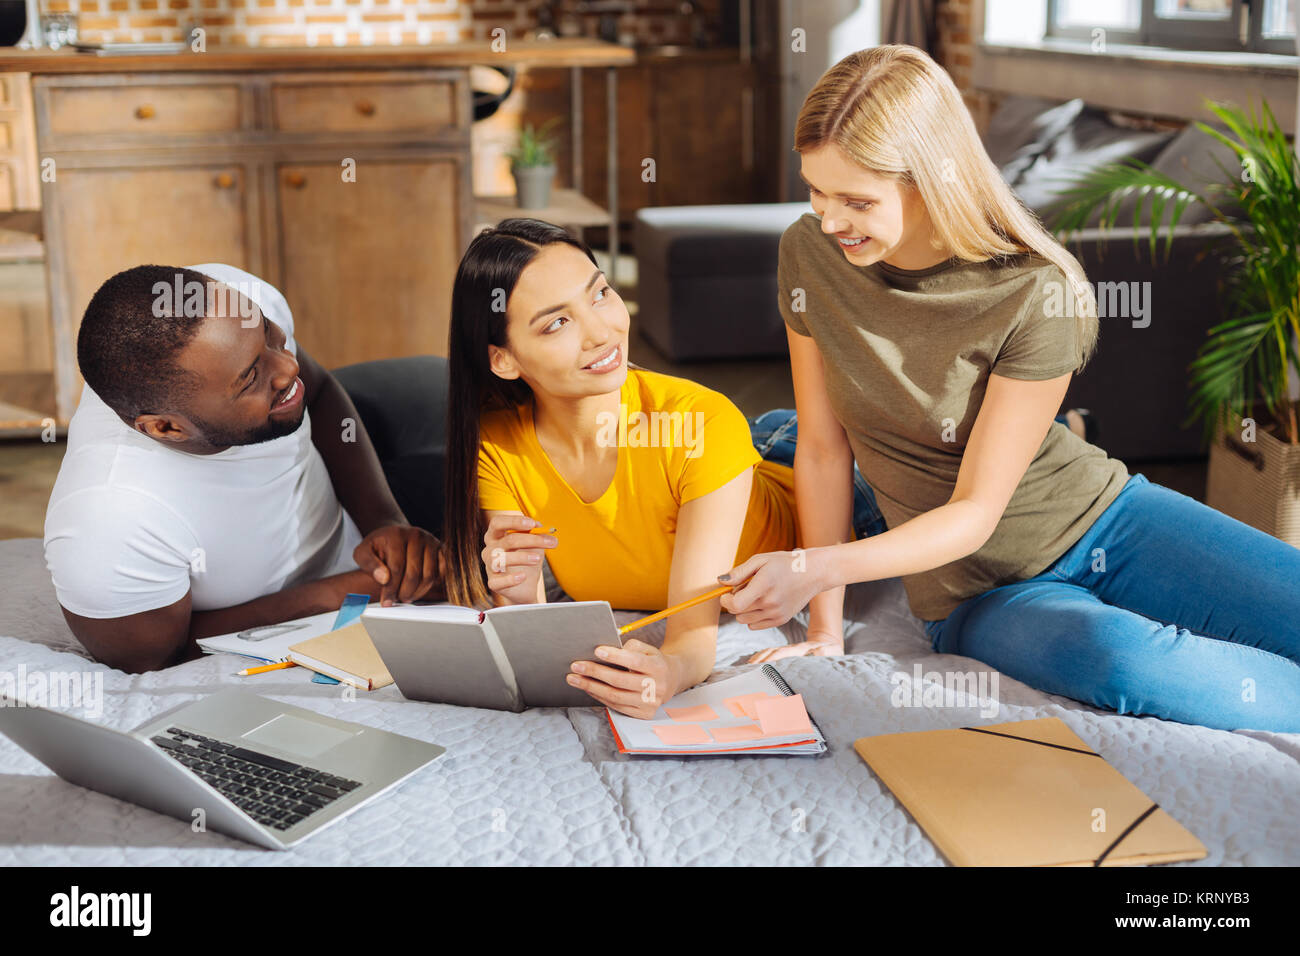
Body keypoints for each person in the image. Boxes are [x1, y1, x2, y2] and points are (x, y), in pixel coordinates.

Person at [717, 45, 1300, 733]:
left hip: (1109, 518)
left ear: (931, 180)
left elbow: (977, 509)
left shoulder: (1036, 289)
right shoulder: (810, 254)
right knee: (1122, 664)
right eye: (816, 190)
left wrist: (813, 564)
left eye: (856, 200)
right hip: (980, 592)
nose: (830, 218)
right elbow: (819, 446)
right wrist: (824, 623)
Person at [440, 218, 1086, 716]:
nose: (604, 331)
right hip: (736, 458)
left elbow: (692, 635)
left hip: (809, 486)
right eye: (556, 324)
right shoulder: (497, 446)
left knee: (928, 457)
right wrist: (516, 593)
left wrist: (669, 674)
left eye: (601, 293)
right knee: (778, 433)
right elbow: (519, 611)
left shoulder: (698, 422)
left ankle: (1055, 421)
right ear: (503, 360)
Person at [44, 263, 443, 673]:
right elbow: (162, 654)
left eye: (269, 335)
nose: (288, 367)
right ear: (167, 428)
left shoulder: (229, 301)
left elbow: (318, 392)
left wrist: (382, 519)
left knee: (468, 403)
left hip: (352, 455)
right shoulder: (108, 522)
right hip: (351, 565)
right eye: (251, 376)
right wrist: (339, 593)